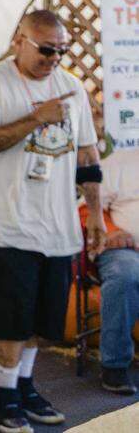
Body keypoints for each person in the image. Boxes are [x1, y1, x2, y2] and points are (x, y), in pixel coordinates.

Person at [0, 9, 107, 432]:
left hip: (57, 226)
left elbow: (87, 154)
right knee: (11, 323)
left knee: (43, 322)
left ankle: (23, 386)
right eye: (46, 50)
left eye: (61, 51)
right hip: (6, 225)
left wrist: (95, 213)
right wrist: (36, 118)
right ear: (19, 41)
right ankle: (2, 395)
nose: (54, 59)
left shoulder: (71, 88)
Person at [91, 149, 139, 395]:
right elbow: (87, 209)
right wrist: (110, 231)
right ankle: (114, 365)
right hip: (124, 249)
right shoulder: (118, 163)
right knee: (124, 275)